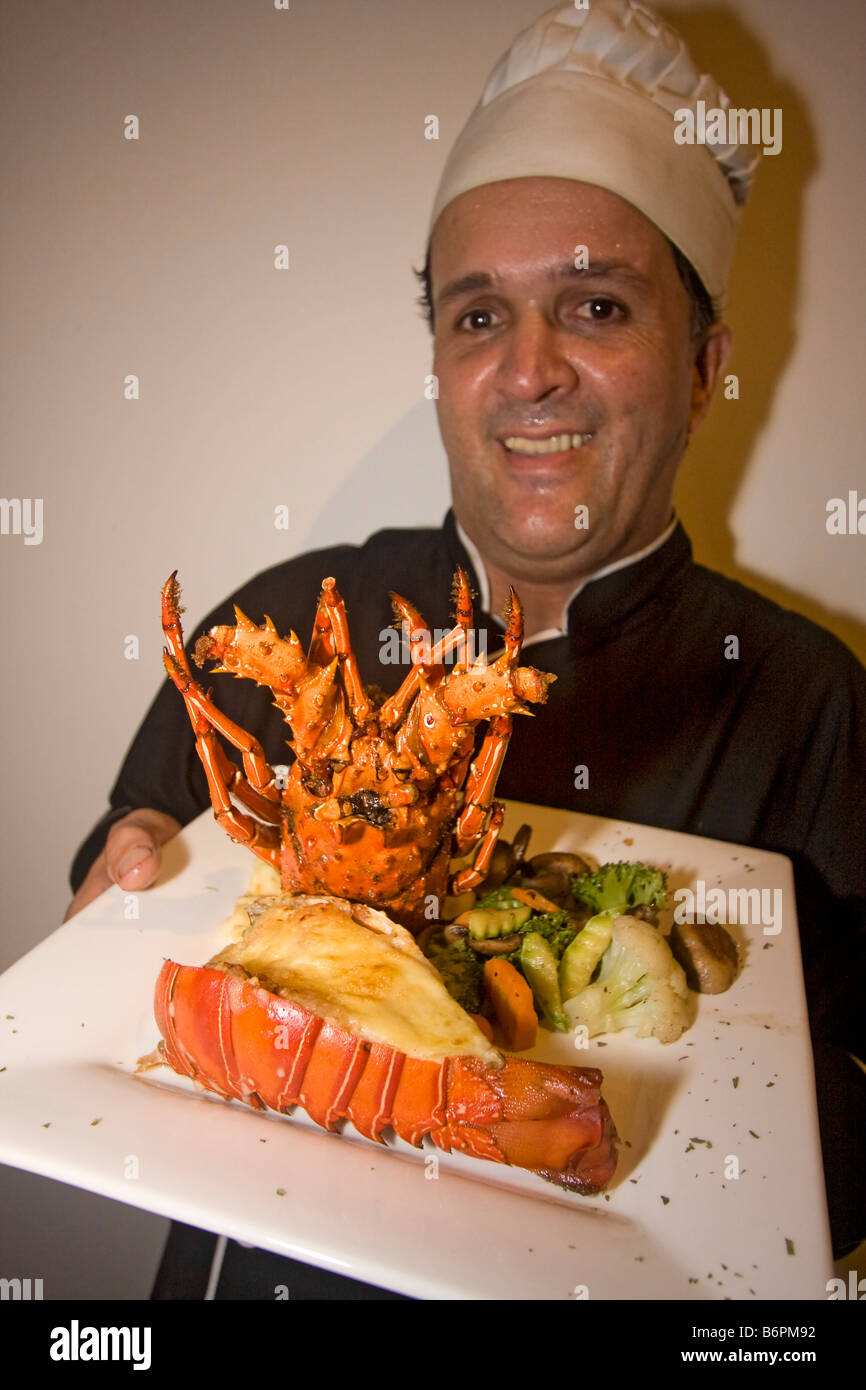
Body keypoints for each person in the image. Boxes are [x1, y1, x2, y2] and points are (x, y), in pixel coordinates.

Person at [67, 0, 866, 1293]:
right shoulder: (286, 615)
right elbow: (129, 861)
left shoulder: (811, 698)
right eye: (477, 316)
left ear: (708, 363)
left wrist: (778, 1122)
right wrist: (124, 870)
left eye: (595, 305)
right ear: (438, 359)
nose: (528, 371)